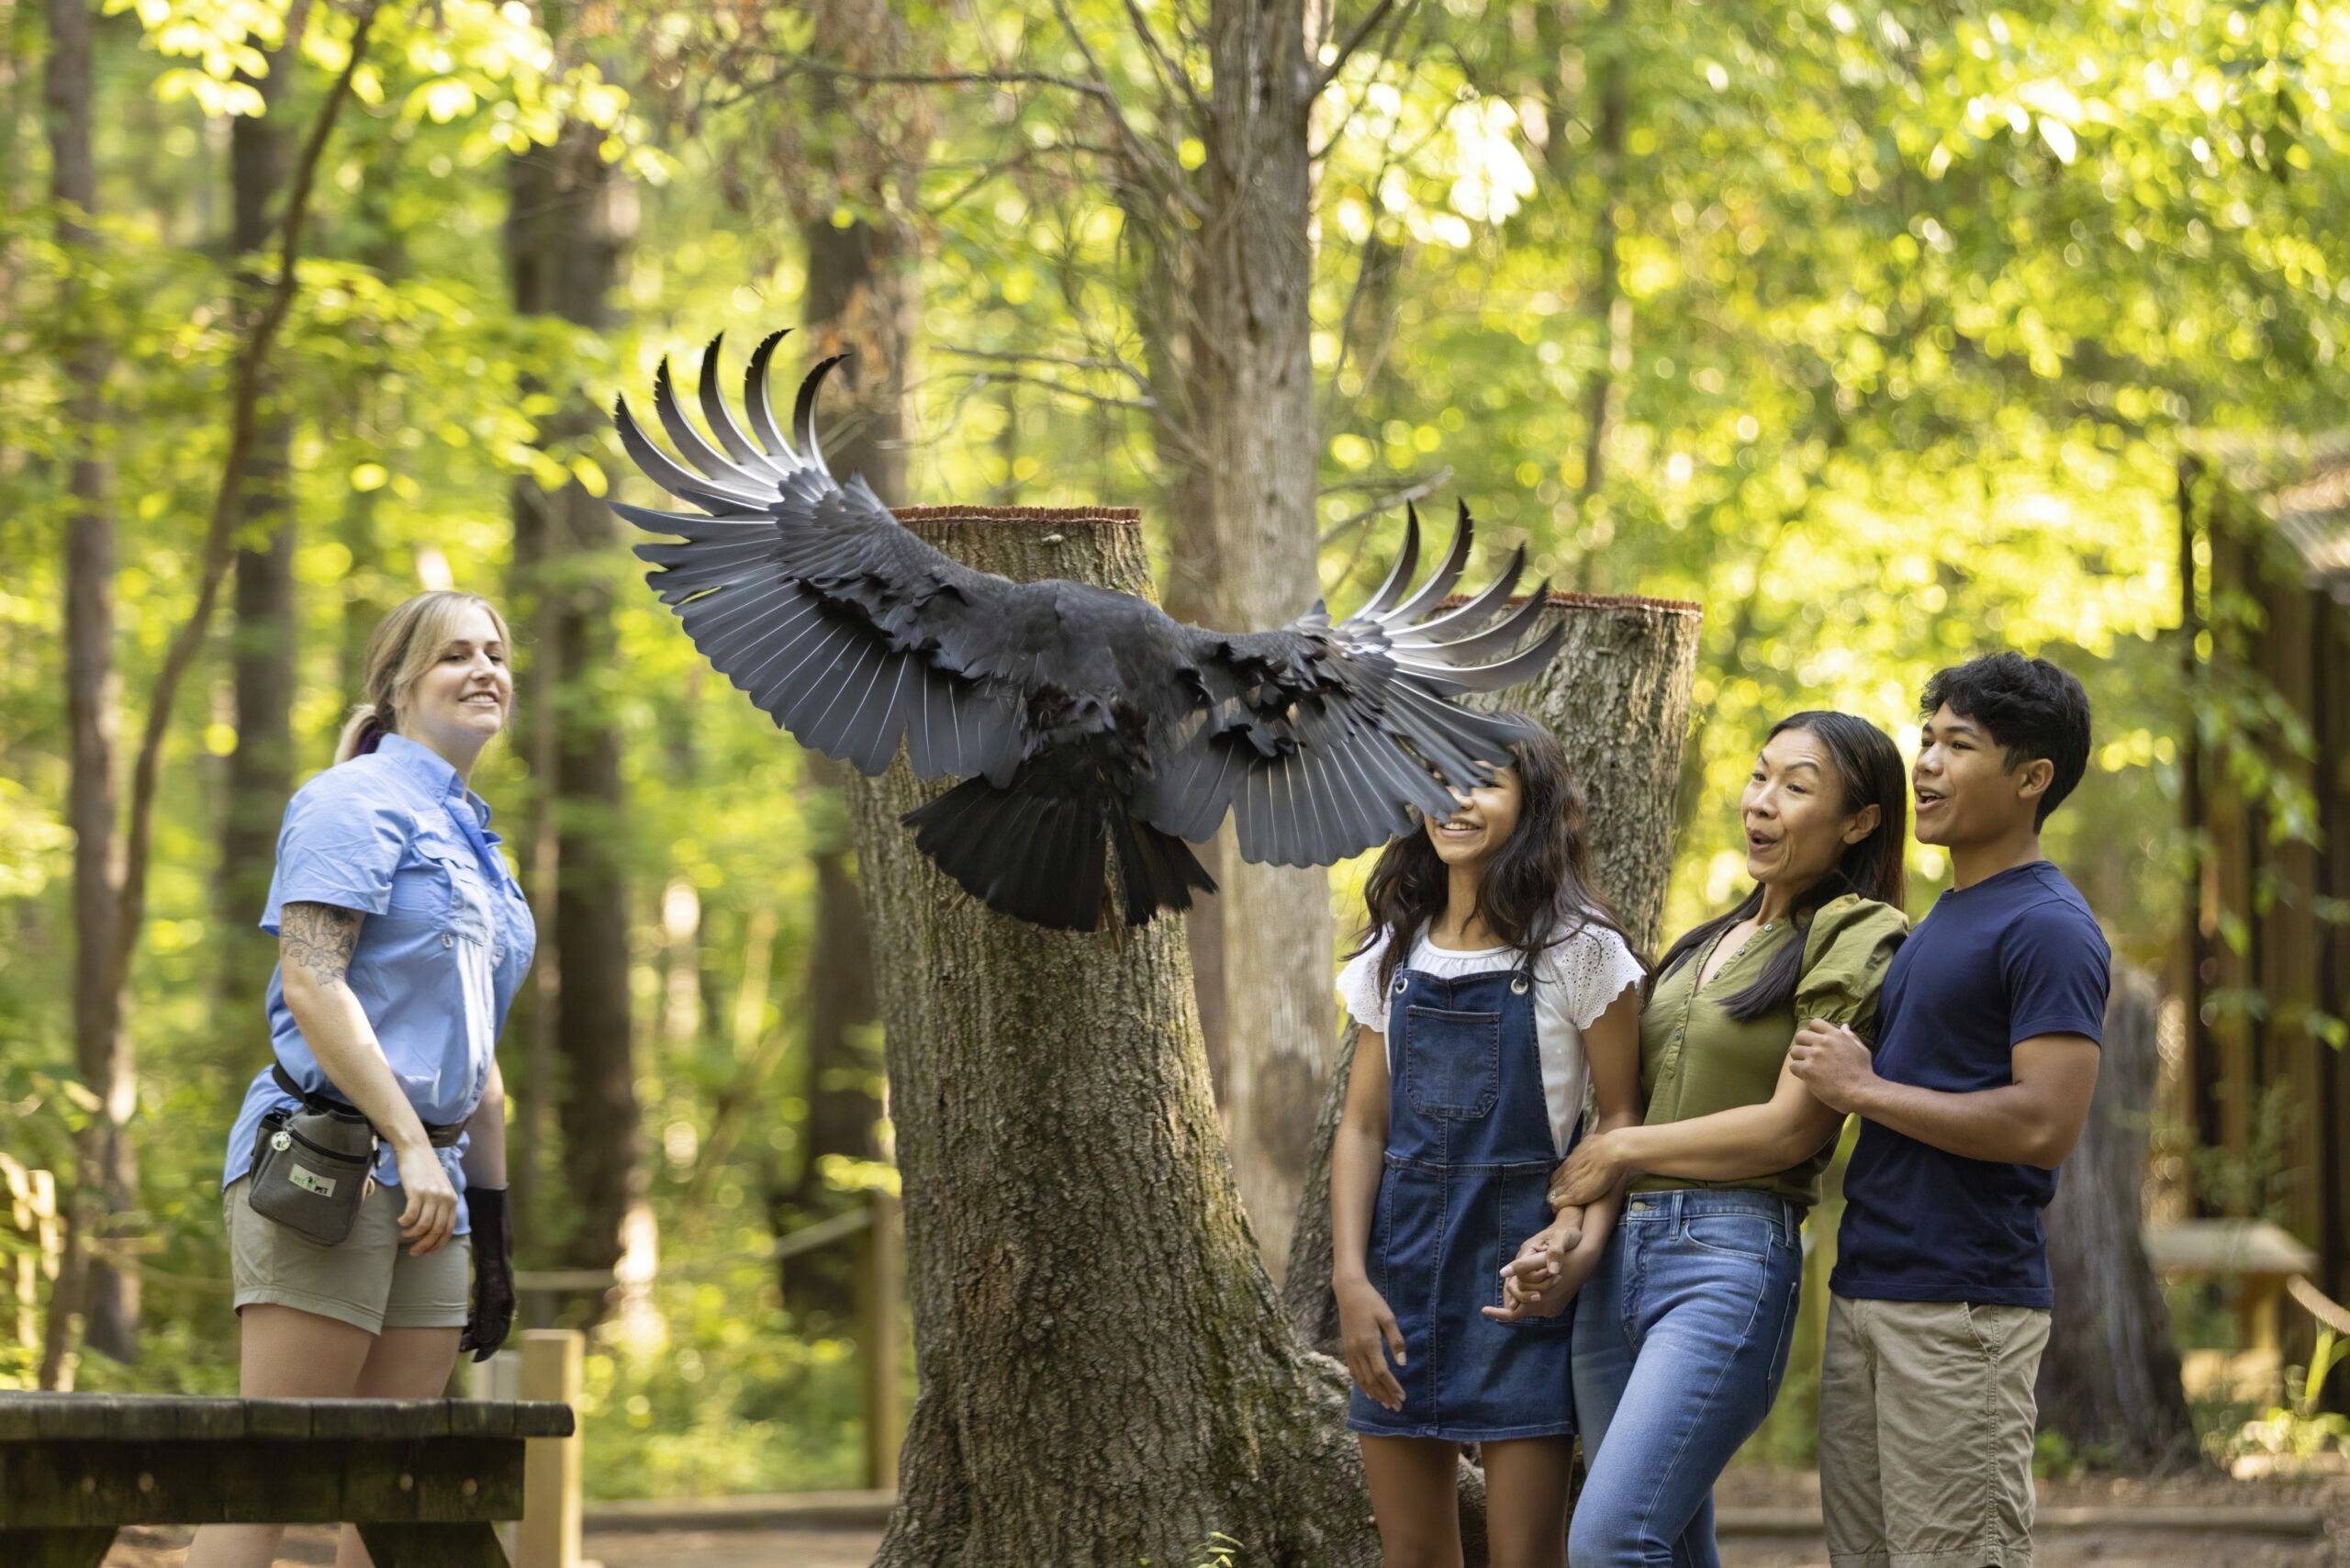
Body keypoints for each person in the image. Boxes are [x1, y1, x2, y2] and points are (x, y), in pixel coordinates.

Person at [1515, 711, 1909, 1568]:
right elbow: (1622, 1111)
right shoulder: (1706, 943)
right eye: (1760, 775)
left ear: (1860, 822)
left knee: (1610, 1541)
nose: (1761, 802)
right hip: (1615, 1268)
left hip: (1724, 1261)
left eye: (1796, 788)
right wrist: (1572, 1230)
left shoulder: (1856, 933)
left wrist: (1622, 1153)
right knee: (1672, 1545)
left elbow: (1791, 1128)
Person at [189, 590, 535, 1568]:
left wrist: (493, 1230)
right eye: (455, 654)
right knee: (271, 1482)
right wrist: (410, 1143)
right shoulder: (352, 802)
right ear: (396, 686)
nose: (484, 670)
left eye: (496, 653)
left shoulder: (477, 842)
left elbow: (475, 1055)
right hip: (328, 1164)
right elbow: (312, 979)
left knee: (393, 1501)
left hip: (435, 1191)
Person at [1789, 654, 2107, 1568]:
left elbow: (2044, 1124)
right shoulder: (1940, 918)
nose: (1924, 763)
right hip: (1870, 1291)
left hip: (1962, 1310)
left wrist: (1863, 1090)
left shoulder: (2049, 926)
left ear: (2031, 777)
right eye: (1925, 739)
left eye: (1957, 745)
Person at [1330, 719, 1646, 1568]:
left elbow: (1620, 1120)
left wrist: (1580, 1246)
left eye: (1482, 781)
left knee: (1526, 1555)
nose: (1454, 799)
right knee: (1413, 1554)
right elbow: (1362, 1127)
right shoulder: (1393, 947)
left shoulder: (1581, 950)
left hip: (1523, 1280)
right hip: (1396, 1277)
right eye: (1437, 775)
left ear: (1531, 803)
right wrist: (1350, 1279)